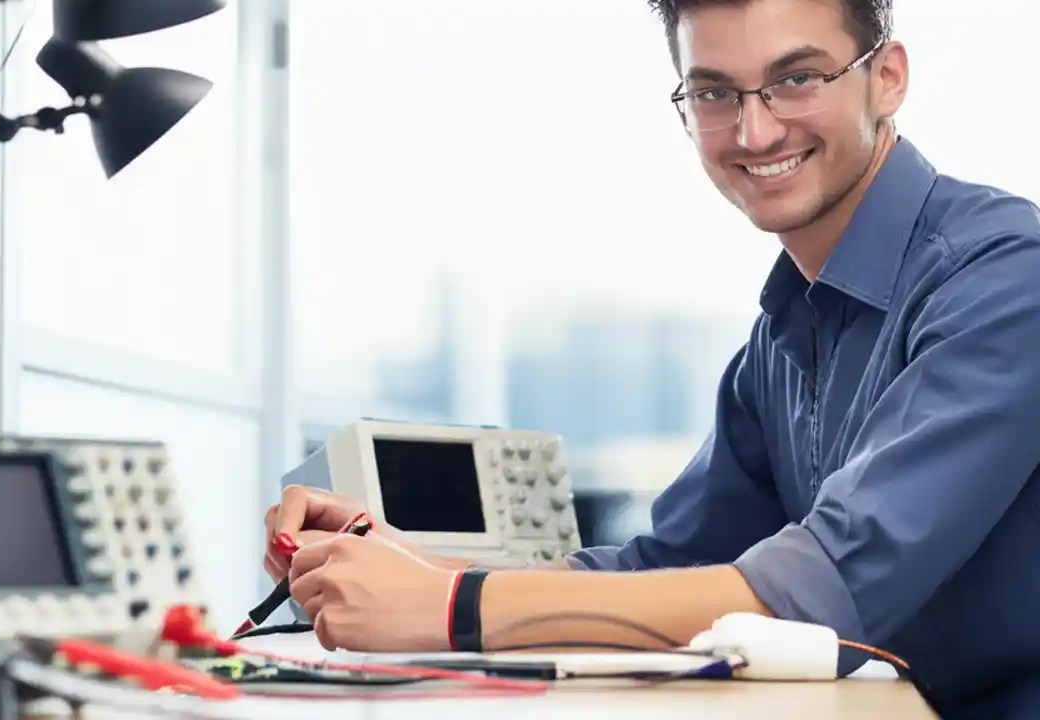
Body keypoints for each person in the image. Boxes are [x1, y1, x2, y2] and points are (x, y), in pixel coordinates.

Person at [263, 1, 1040, 716]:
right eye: (713, 93)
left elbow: (818, 586)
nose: (755, 132)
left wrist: (450, 610)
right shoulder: (777, 342)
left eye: (797, 79)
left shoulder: (1006, 277)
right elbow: (661, 568)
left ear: (888, 77)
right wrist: (411, 567)